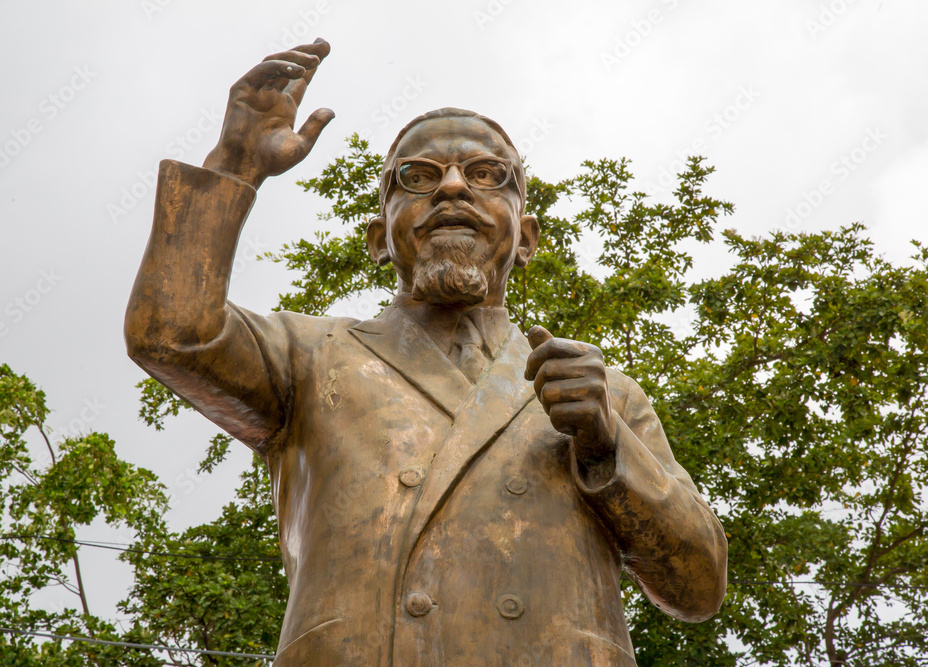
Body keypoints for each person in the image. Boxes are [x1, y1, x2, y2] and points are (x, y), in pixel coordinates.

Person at [124, 38, 727, 666]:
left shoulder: (605, 396)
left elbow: (698, 585)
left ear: (526, 238)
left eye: (489, 175)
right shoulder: (309, 356)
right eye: (417, 177)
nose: (454, 188)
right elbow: (171, 333)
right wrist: (234, 165)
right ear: (378, 239)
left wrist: (604, 446)